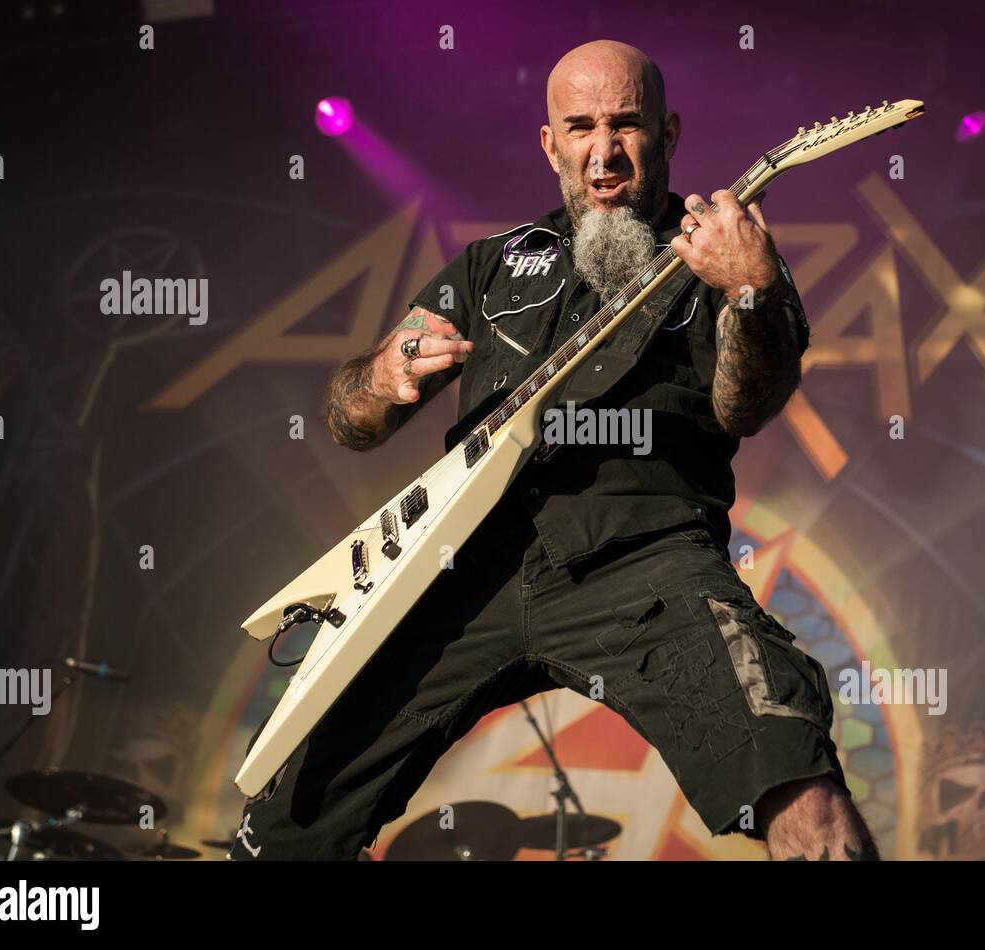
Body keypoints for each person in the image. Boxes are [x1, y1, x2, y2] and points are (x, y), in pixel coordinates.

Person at [230, 39, 878, 861]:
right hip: (462, 569)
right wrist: (379, 378)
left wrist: (746, 290)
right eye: (580, 128)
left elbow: (745, 405)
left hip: (645, 561)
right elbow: (353, 422)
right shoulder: (490, 268)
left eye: (627, 125)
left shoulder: (722, 254)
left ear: (669, 134)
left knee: (800, 789)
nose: (604, 153)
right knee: (288, 823)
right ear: (550, 143)